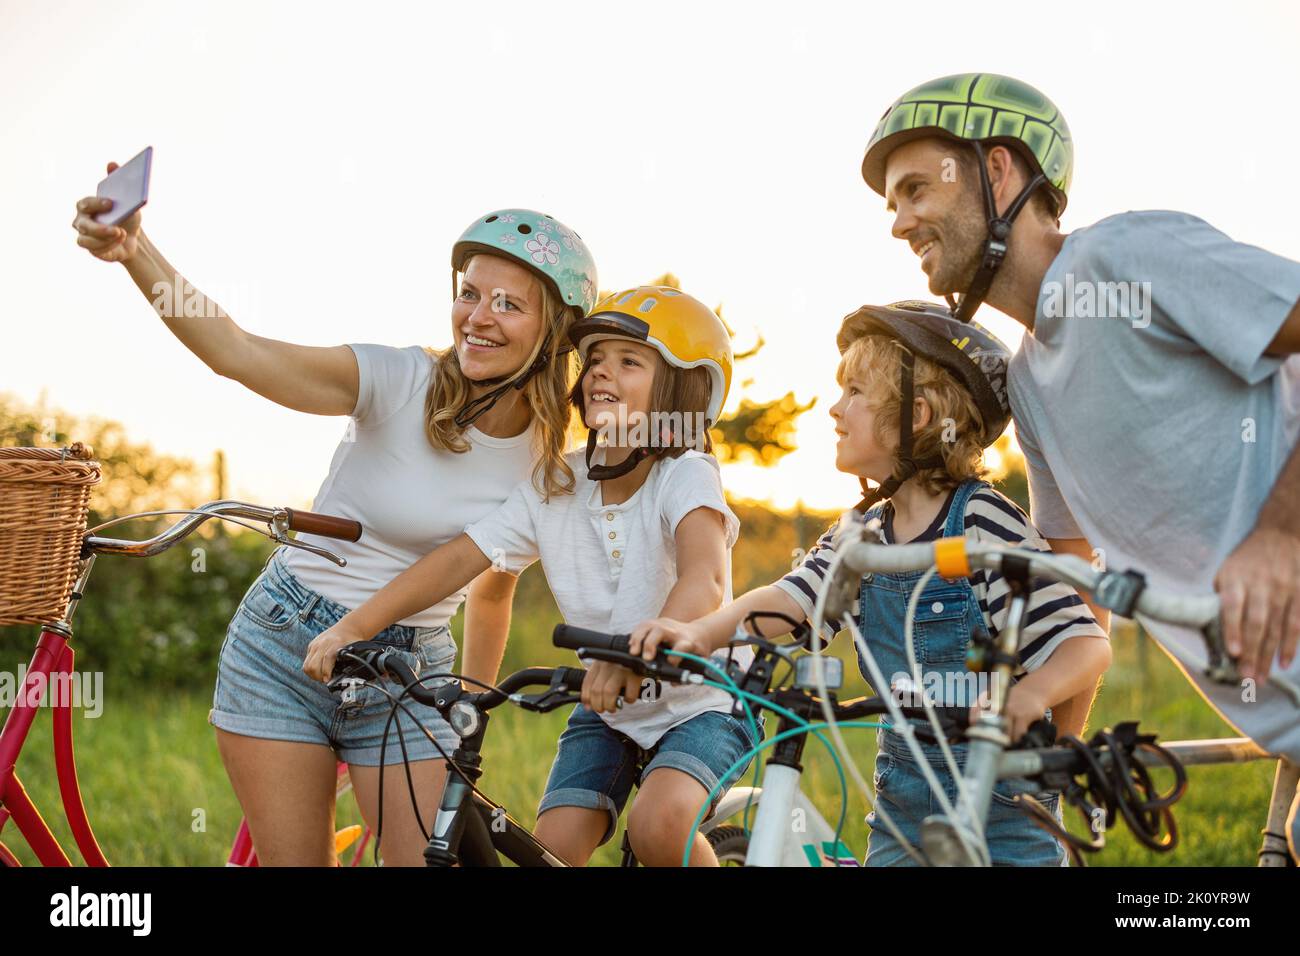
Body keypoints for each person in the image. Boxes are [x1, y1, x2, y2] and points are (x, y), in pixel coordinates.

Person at [71, 182, 598, 865]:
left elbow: (493, 590)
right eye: (469, 293)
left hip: (410, 671)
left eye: (508, 304)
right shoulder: (397, 379)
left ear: (554, 330)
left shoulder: (542, 465)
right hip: (284, 645)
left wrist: (472, 714)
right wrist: (136, 251)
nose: (478, 317)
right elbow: (239, 352)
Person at [860, 73, 1300, 855]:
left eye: (917, 189)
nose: (899, 222)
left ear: (996, 172)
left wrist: (1280, 533)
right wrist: (1052, 762)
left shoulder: (1122, 257)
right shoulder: (1029, 384)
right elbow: (1072, 577)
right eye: (892, 204)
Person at [629, 300, 1110, 866]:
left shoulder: (982, 522)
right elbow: (794, 599)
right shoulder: (862, 533)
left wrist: (1027, 697)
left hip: (1001, 824)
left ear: (921, 415)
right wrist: (701, 633)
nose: (835, 409)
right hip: (899, 821)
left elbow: (1085, 645)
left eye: (855, 392)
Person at [304, 286, 760, 866]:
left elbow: (705, 582)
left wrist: (630, 653)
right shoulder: (557, 485)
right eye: (594, 359)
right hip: (607, 708)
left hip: (703, 702)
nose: (600, 373)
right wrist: (354, 626)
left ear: (685, 388)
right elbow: (459, 559)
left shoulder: (685, 474)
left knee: (659, 826)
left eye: (628, 361)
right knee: (553, 853)